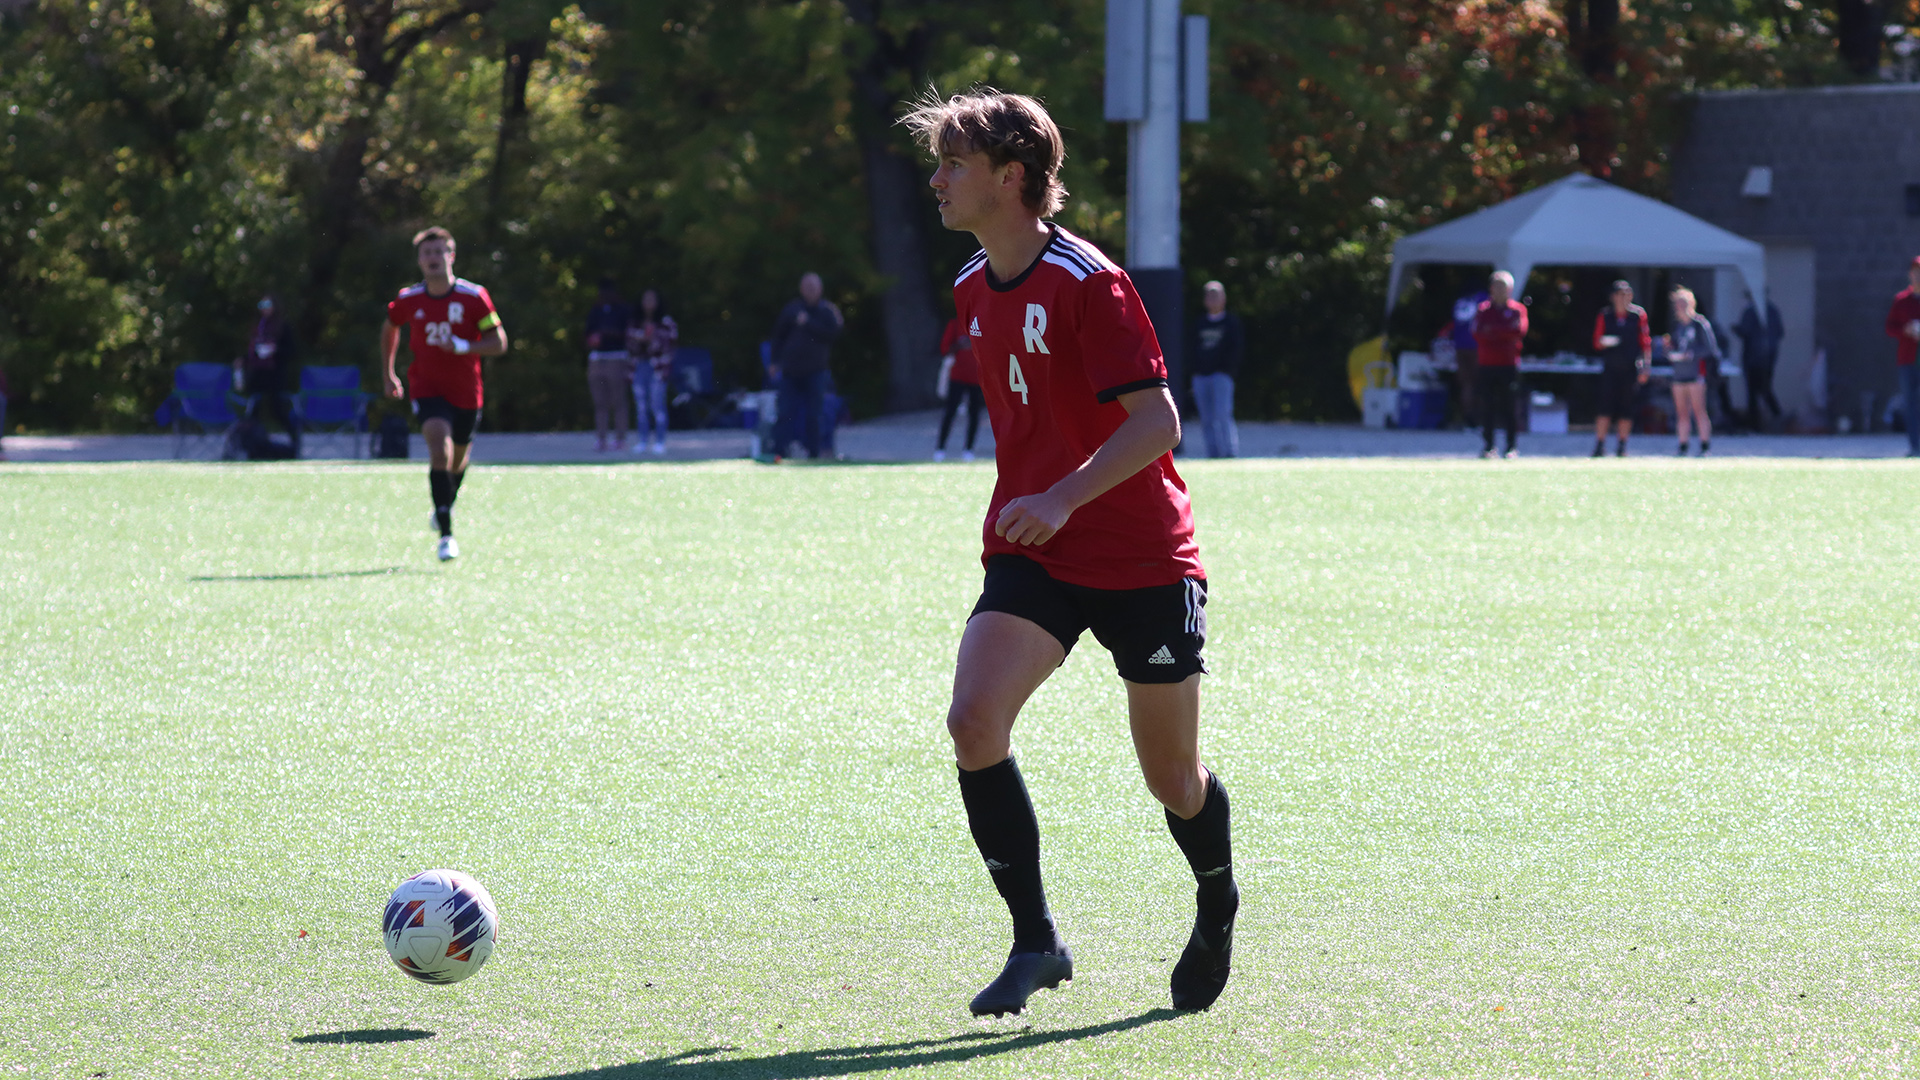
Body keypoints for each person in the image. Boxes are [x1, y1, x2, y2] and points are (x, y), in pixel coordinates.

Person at [906, 88, 1236, 1017]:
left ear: (1011, 177)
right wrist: (1038, 505)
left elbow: (1159, 421)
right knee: (974, 723)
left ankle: (1216, 903)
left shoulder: (1090, 282)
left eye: (953, 165)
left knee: (1172, 779)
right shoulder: (974, 286)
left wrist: (1061, 495)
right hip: (1035, 551)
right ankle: (1035, 939)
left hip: (1140, 555)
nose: (937, 181)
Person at [380, 226, 509, 561]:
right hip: (427, 387)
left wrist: (464, 345)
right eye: (427, 253)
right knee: (439, 447)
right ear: (419, 260)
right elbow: (391, 326)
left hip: (466, 390)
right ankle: (447, 535)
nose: (433, 258)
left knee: (457, 459)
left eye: (439, 252)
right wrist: (388, 371)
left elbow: (499, 342)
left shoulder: (473, 296)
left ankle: (443, 506)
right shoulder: (409, 299)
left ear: (451, 256)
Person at [769, 273, 843, 459]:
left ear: (820, 289)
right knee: (785, 411)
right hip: (791, 371)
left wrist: (808, 323)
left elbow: (833, 334)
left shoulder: (827, 311)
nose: (810, 291)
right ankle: (779, 452)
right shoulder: (792, 310)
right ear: (801, 289)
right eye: (807, 287)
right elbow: (778, 336)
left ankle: (814, 453)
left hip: (816, 371)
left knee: (814, 414)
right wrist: (774, 362)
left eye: (814, 287)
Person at [1591, 280, 1651, 457]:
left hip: (1630, 369)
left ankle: (1622, 445)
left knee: (1627, 408)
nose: (1623, 298)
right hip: (1610, 368)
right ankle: (1600, 444)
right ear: (1613, 297)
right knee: (1604, 408)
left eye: (1627, 294)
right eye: (1620, 294)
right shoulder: (1605, 315)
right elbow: (1596, 341)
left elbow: (1645, 343)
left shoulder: (1637, 315)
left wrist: (1645, 367)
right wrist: (1604, 342)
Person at [236, 294, 301, 458]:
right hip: (258, 376)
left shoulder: (283, 327)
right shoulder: (258, 327)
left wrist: (274, 350)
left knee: (278, 410)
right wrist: (242, 360)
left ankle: (295, 445)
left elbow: (292, 352)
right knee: (253, 412)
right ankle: (252, 448)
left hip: (275, 376)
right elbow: (252, 352)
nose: (264, 308)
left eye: (268, 304)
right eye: (261, 304)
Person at [1470, 271, 1526, 459]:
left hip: (1508, 365)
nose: (1501, 290)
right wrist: (1503, 332)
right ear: (1491, 288)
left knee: (1510, 406)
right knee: (1487, 406)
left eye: (1504, 286)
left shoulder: (1518, 309)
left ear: (1510, 289)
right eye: (1497, 286)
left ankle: (1511, 446)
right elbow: (1478, 333)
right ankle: (1489, 446)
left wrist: (1493, 331)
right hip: (1487, 364)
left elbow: (1518, 331)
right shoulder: (1483, 309)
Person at [1187, 280, 1243, 458]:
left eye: (1216, 295)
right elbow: (1192, 348)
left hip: (1221, 376)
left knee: (1222, 415)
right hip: (1200, 377)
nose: (1213, 299)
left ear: (1224, 298)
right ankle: (1213, 455)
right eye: (1209, 295)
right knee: (1206, 418)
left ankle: (1229, 453)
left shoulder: (1231, 323)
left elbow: (1236, 349)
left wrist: (1227, 369)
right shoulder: (1199, 323)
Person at [1663, 287, 1720, 456]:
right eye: (1678, 303)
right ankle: (1683, 445)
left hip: (1695, 374)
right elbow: (1673, 346)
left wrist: (1692, 354)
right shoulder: (1678, 327)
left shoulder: (1700, 324)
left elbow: (1710, 349)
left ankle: (1704, 445)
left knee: (1699, 410)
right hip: (1679, 374)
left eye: (1684, 303)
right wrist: (1668, 349)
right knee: (1681, 412)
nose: (1680, 307)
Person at [584, 279, 633, 453]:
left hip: (617, 358)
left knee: (618, 400)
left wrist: (608, 334)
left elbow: (628, 334)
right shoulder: (595, 311)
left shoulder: (623, 311)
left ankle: (620, 438)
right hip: (597, 359)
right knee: (600, 402)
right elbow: (587, 334)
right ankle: (601, 438)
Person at [629, 289, 677, 455]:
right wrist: (640, 339)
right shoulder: (635, 323)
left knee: (657, 405)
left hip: (657, 368)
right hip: (639, 367)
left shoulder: (666, 323)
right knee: (641, 406)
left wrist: (653, 339)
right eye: (645, 299)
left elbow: (670, 345)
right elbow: (629, 343)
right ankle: (642, 441)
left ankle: (660, 441)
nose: (648, 303)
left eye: (652, 299)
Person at [934, 313, 984, 462]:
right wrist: (960, 345)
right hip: (957, 377)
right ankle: (940, 448)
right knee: (950, 412)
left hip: (976, 378)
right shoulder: (955, 324)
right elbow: (945, 348)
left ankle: (968, 449)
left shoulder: (983, 322)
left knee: (974, 415)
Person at [1734, 291, 1784, 432]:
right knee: (1765, 389)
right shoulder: (1772, 310)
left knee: (1754, 392)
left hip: (1753, 358)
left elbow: (1745, 330)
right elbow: (1780, 332)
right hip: (1768, 358)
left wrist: (1736, 329)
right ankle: (1776, 416)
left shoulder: (1751, 311)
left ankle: (1757, 424)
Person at [1886, 258, 1920, 457]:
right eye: (1915, 272)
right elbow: (1890, 328)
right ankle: (1915, 446)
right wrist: (1906, 330)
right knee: (1910, 404)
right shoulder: (1901, 300)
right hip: (1907, 361)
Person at [1448, 287, 1488, 428]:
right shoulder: (1483, 299)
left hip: (1460, 346)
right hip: (1476, 346)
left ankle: (1466, 417)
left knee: (1466, 385)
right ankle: (1478, 418)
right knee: (1480, 383)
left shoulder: (1459, 301)